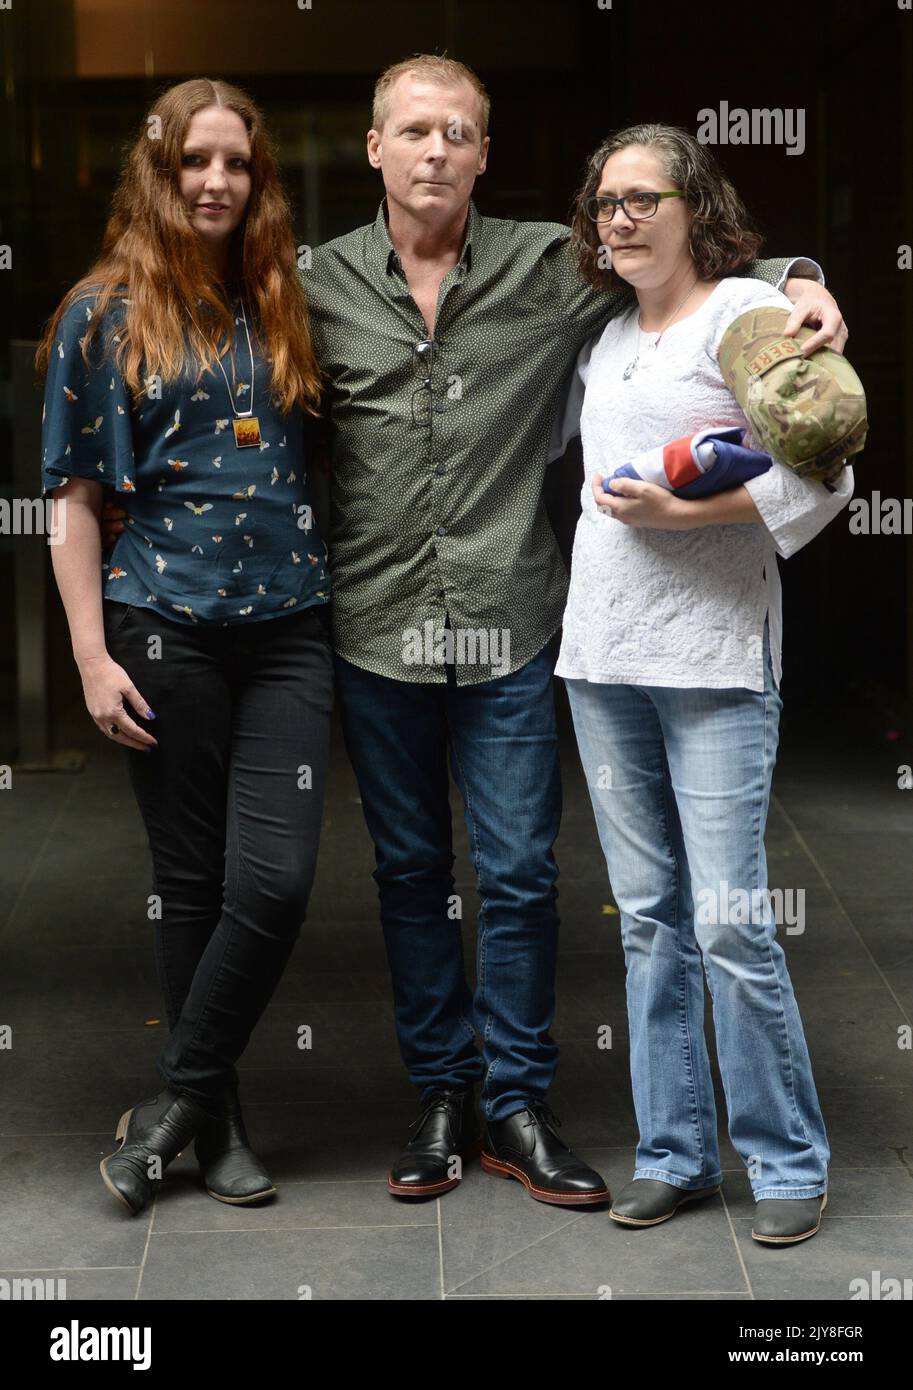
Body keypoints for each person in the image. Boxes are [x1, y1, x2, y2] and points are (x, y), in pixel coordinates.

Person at [299, 55, 849, 1207]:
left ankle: (519, 1102)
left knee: (521, 872)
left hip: (517, 624)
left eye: (458, 130)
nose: (436, 149)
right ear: (374, 148)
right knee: (417, 874)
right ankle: (453, 1098)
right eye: (413, 130)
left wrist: (804, 275)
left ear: (484, 153)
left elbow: (709, 275)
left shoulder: (550, 268)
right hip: (391, 627)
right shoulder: (317, 281)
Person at [552, 123, 854, 1243]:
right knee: (646, 921)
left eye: (643, 198)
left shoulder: (743, 315)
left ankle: (785, 1157)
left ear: (696, 207)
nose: (620, 219)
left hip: (717, 658)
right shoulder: (606, 338)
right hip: (600, 657)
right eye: (605, 204)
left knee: (729, 920)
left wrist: (686, 511)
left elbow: (826, 473)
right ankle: (674, 1152)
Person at [37, 78, 333, 1216]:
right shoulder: (97, 312)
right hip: (159, 624)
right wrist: (89, 655)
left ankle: (174, 1107)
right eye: (194, 162)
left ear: (258, 180)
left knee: (279, 878)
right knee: (191, 882)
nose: (217, 181)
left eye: (238, 164)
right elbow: (70, 500)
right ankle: (221, 1128)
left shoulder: (283, 298)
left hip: (290, 629)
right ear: (157, 175)